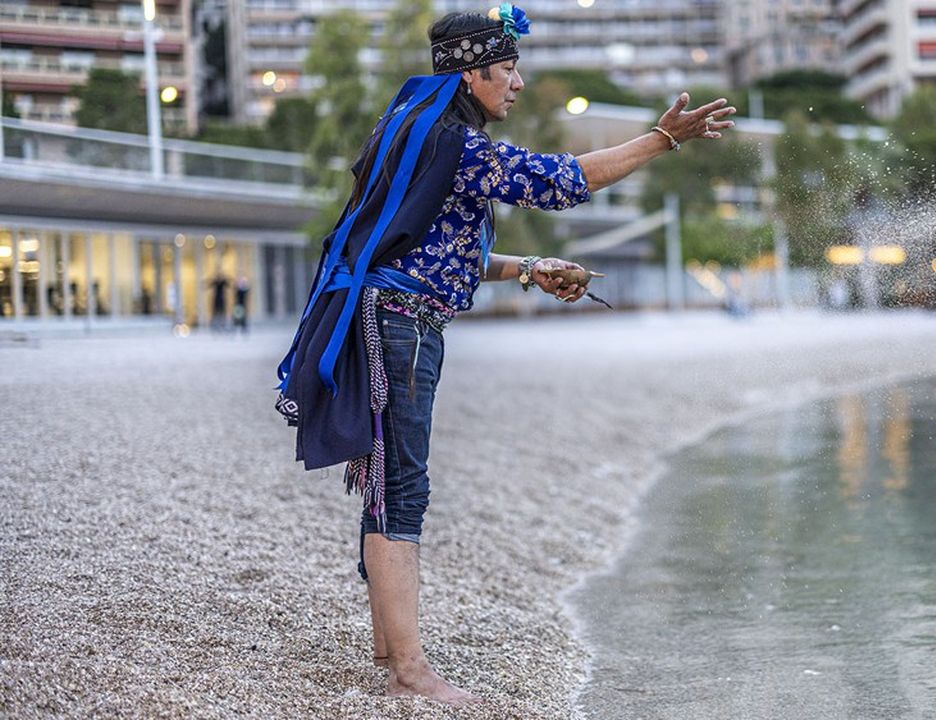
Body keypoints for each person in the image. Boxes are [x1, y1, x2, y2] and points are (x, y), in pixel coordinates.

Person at [274, 4, 734, 705]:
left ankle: (389, 648)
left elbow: (436, 246)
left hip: (395, 315)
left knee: (390, 483)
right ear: (472, 73)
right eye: (508, 69)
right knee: (402, 487)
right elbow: (561, 183)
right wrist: (660, 140)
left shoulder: (415, 128)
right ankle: (408, 671)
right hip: (399, 322)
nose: (517, 82)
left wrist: (525, 268)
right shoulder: (458, 143)